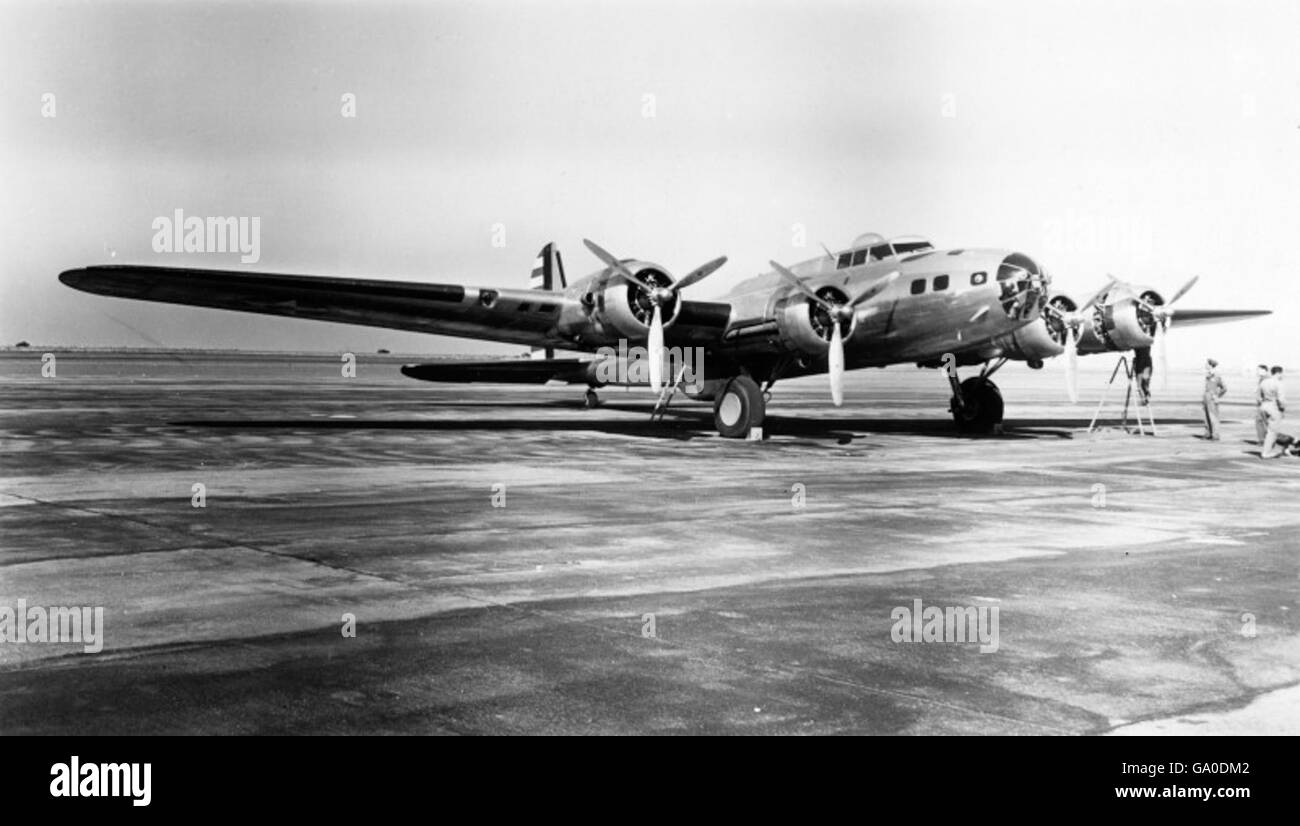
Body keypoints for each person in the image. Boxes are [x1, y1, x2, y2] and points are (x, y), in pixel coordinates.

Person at [1260, 366, 1287, 458]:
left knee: (1268, 430)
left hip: (1264, 406)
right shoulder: (1279, 384)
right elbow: (1281, 400)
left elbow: (1259, 396)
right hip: (1273, 407)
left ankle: (1269, 449)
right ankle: (1266, 453)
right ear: (1278, 373)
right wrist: (1282, 409)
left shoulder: (1263, 382)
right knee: (1272, 431)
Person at [1201, 358, 1227, 440]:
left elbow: (1224, 388)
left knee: (1213, 417)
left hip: (1212, 397)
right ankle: (1208, 433)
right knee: (1206, 417)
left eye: (1207, 364)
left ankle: (1215, 435)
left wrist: (1217, 395)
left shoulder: (1217, 375)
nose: (1205, 365)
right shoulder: (1208, 375)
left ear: (1210, 365)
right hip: (1206, 397)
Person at [1255, 364, 1271, 444]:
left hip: (1265, 404)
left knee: (1263, 421)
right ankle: (1263, 440)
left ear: (1264, 370)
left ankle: (1264, 440)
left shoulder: (1267, 379)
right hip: (1261, 404)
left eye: (1259, 370)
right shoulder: (1261, 379)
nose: (1257, 372)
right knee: (1260, 421)